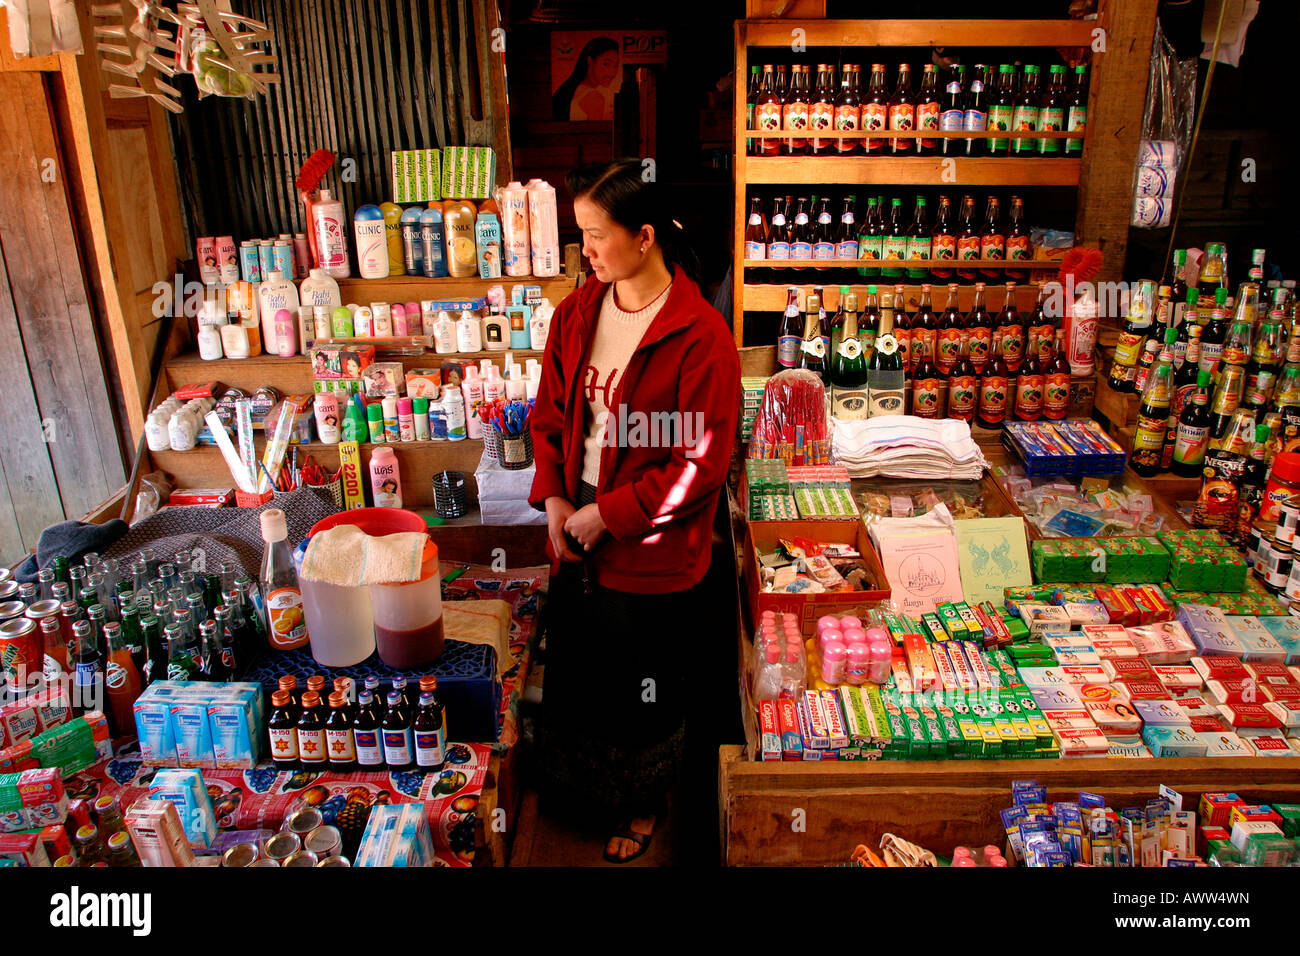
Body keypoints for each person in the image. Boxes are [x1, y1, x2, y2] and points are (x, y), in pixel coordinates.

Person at [528, 159, 740, 862]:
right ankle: (583, 791)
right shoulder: (578, 312)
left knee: (643, 683)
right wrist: (557, 498)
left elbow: (698, 467)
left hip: (651, 539)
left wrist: (609, 515)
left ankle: (643, 802)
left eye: (596, 234)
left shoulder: (699, 334)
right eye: (580, 233)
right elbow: (549, 415)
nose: (585, 249)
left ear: (644, 236)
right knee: (581, 669)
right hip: (577, 518)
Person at [552, 36, 620, 121]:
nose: (612, 72)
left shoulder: (572, 89)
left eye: (615, 66)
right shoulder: (593, 97)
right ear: (590, 61)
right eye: (606, 64)